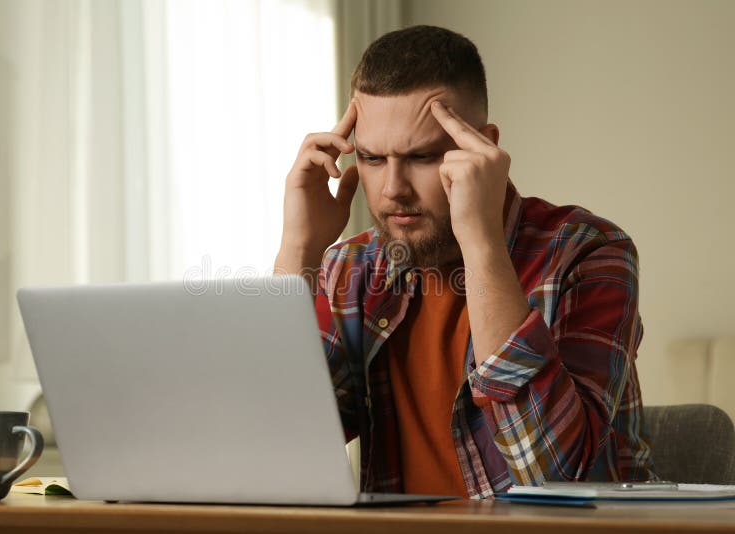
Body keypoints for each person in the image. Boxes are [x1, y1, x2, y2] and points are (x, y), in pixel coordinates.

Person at [274, 25, 655, 499]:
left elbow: (556, 479)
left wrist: (481, 243)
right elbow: (273, 448)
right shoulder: (351, 270)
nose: (392, 189)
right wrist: (299, 250)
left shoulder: (589, 252)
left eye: (422, 157)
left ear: (485, 149)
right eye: (371, 158)